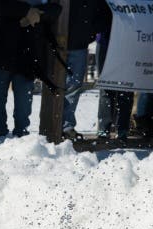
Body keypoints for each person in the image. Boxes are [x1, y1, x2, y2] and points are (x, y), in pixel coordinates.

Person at [0, 0, 56, 140]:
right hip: (1, 49)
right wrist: (27, 11)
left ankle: (21, 135)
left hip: (27, 53)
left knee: (24, 101)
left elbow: (56, 8)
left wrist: (38, 14)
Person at [61, 0, 103, 140]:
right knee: (54, 88)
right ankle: (53, 124)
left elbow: (102, 14)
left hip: (78, 44)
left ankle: (66, 126)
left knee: (73, 86)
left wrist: (88, 34)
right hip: (56, 42)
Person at [95, 11, 131, 142]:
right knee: (106, 88)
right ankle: (104, 129)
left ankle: (122, 131)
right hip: (106, 41)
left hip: (130, 43)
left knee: (127, 88)